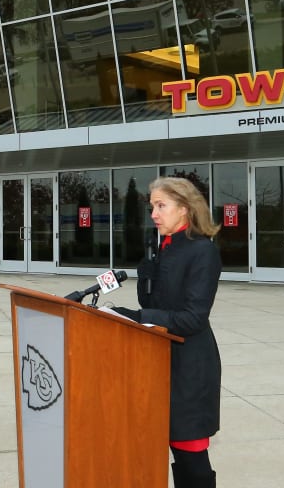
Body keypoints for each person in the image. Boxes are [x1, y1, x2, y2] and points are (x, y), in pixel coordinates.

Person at [116, 176, 222, 488]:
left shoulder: (203, 252)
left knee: (189, 450)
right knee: (156, 446)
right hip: (156, 359)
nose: (154, 214)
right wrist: (147, 271)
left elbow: (193, 318)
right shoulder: (160, 249)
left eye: (161, 206)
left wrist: (138, 316)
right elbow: (153, 301)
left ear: (185, 209)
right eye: (152, 207)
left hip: (189, 365)